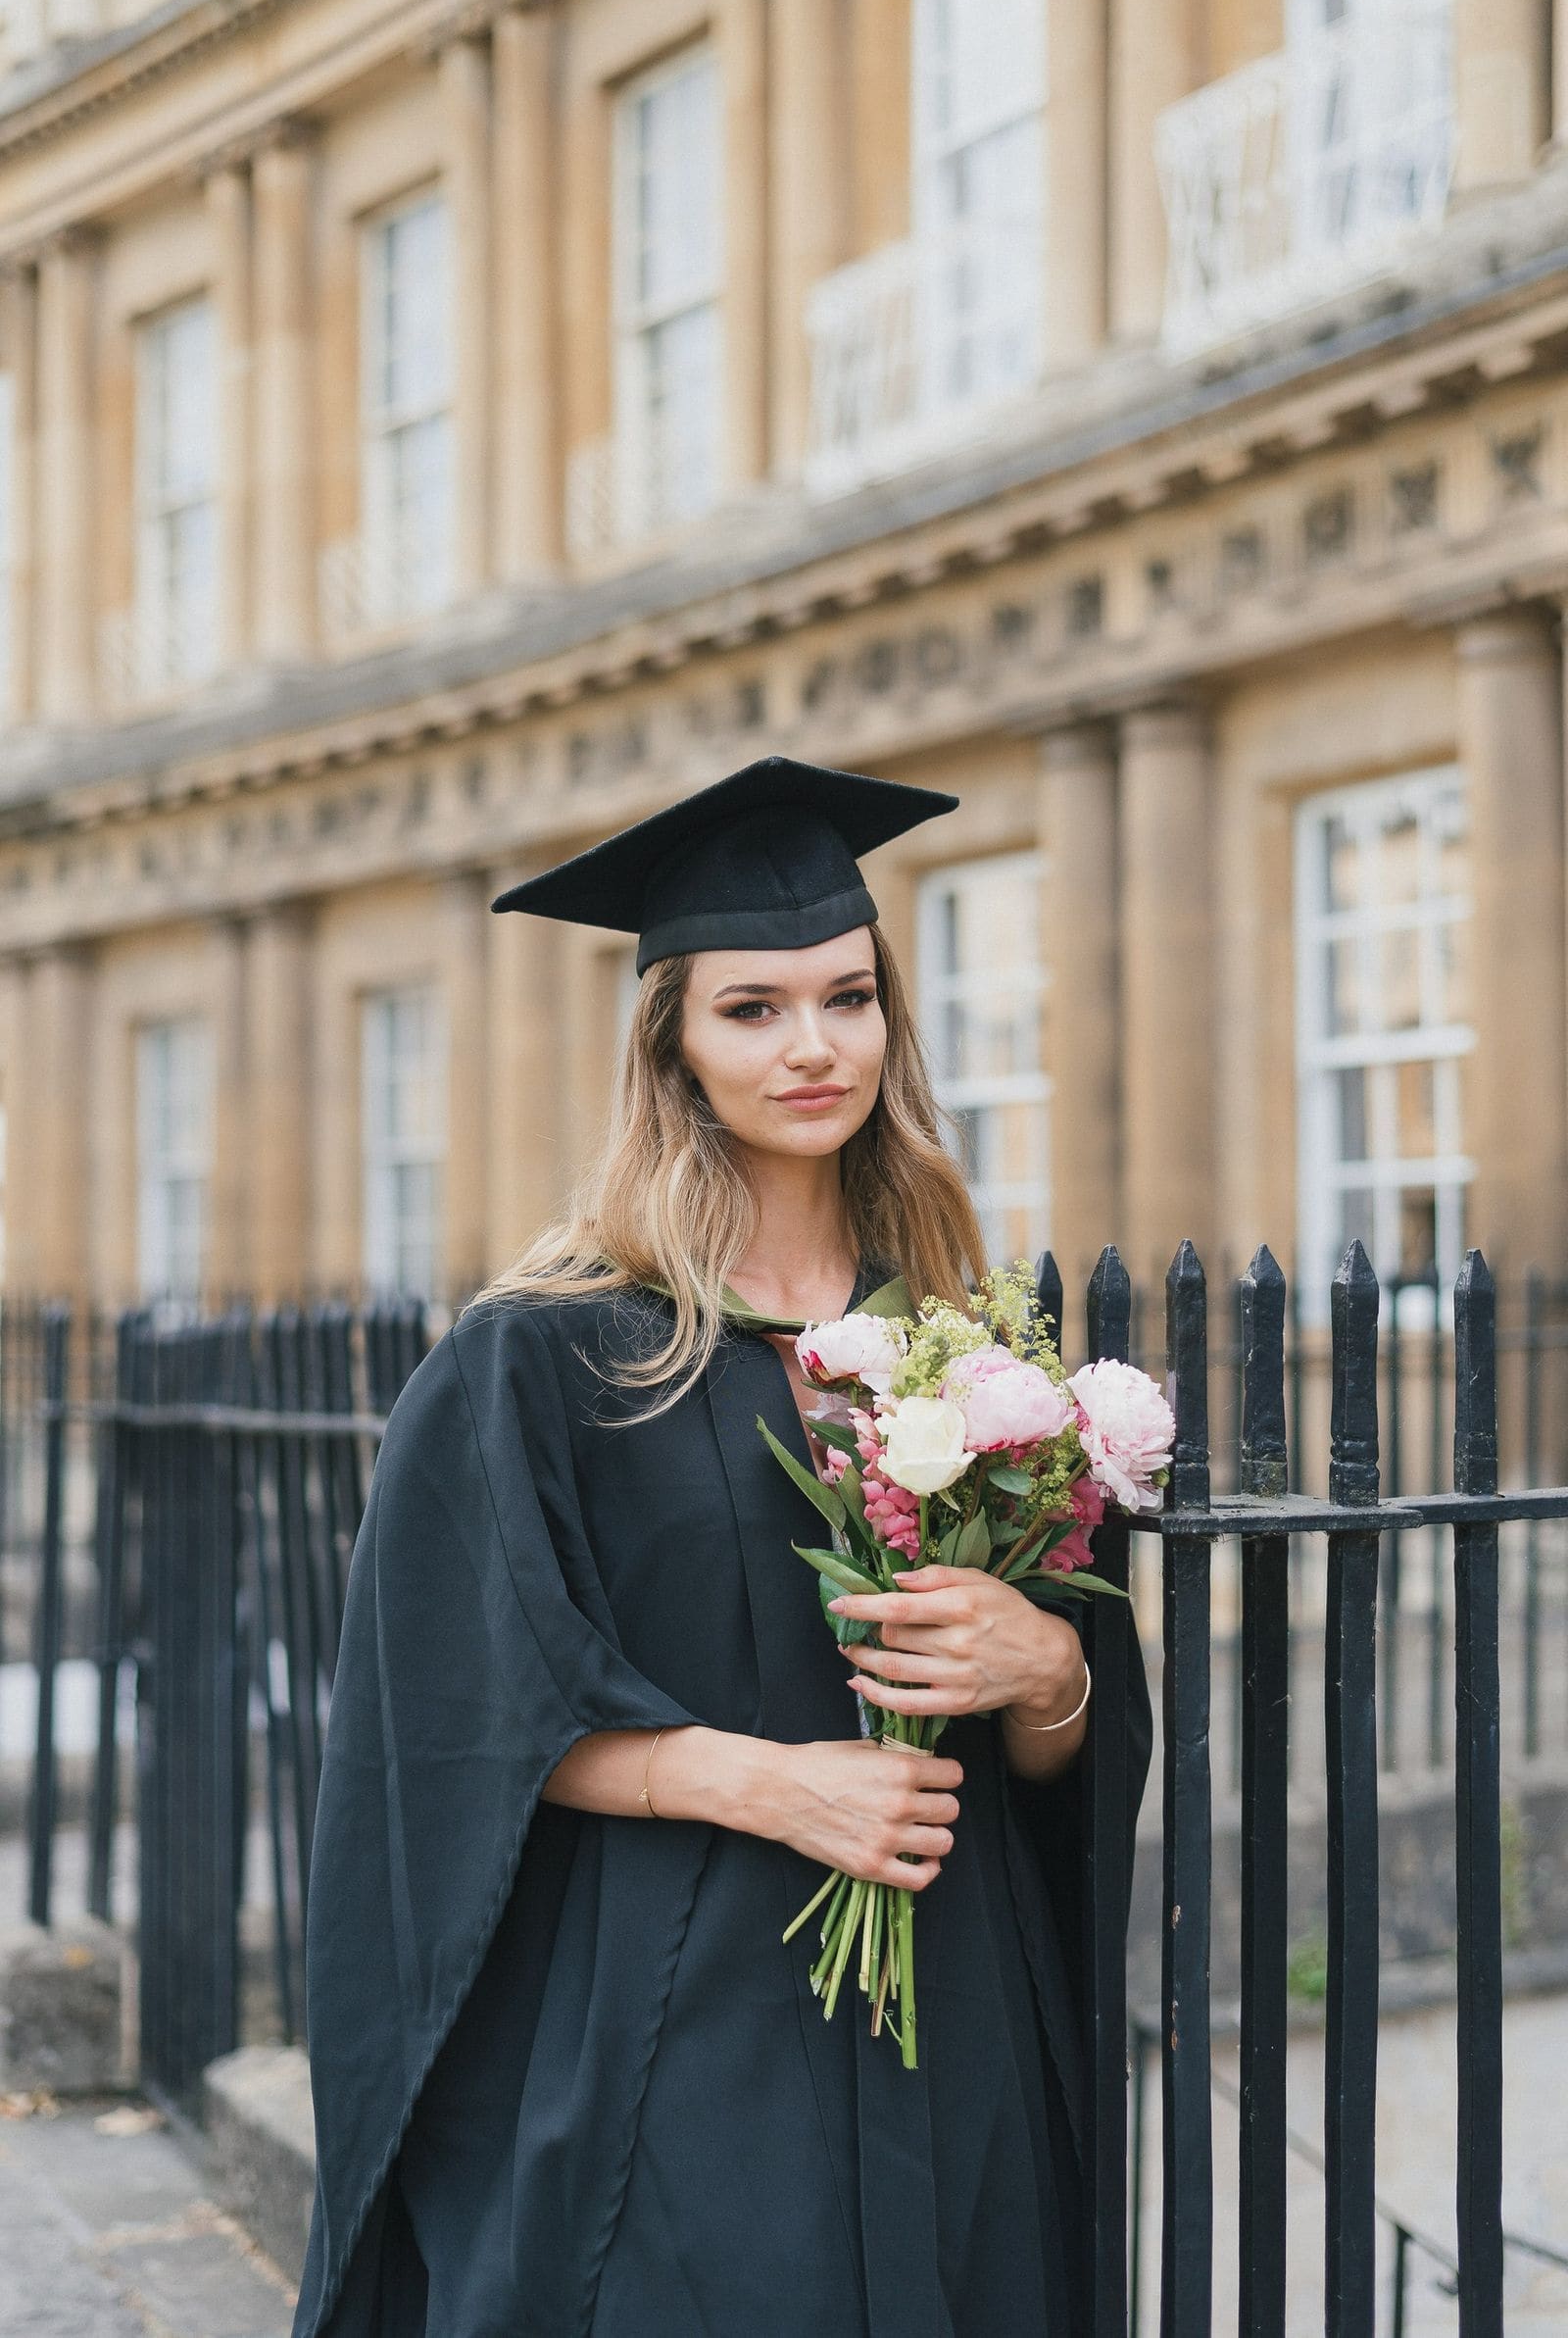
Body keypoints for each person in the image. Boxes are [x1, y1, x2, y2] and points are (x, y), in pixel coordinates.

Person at [290, 755, 1152, 2338]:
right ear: (671, 1043)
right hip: (688, 2014)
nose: (812, 1045)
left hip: (953, 2006)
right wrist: (772, 1782)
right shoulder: (549, 1355)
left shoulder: (963, 1344)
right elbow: (457, 1719)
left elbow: (1052, 1756)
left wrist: (1048, 1672)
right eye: (752, 1007)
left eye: (848, 997)